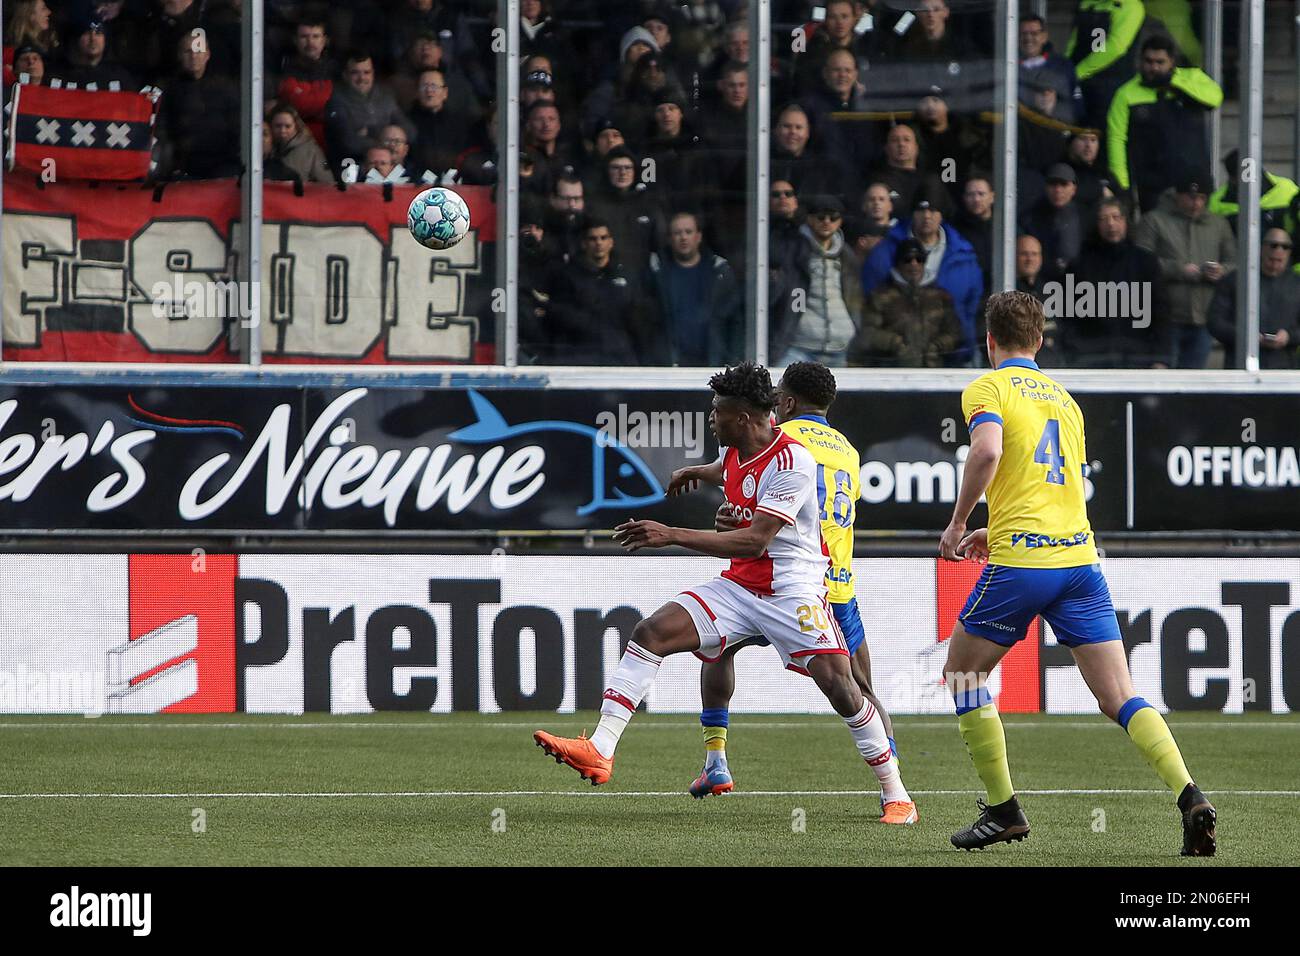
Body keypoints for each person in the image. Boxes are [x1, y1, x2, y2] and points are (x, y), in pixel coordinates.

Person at [534, 363, 912, 824]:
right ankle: (601, 748)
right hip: (739, 586)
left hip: (793, 587)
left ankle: (897, 794)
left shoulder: (795, 461)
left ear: (747, 418)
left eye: (718, 411)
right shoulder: (736, 448)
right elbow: (727, 468)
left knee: (842, 688)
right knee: (651, 632)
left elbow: (754, 540)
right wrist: (694, 470)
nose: (711, 418)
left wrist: (669, 533)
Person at [938, 289, 1217, 856]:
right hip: (1080, 562)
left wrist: (959, 521)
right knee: (1120, 695)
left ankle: (1003, 810)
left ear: (989, 341)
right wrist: (996, 528)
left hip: (1024, 564)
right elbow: (1054, 485)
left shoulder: (987, 387)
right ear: (1040, 341)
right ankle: (1190, 795)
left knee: (963, 673)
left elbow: (988, 453)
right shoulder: (1065, 399)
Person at [687, 362, 916, 824]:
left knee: (716, 651)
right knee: (860, 689)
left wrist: (737, 518)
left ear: (785, 404)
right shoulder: (848, 450)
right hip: (840, 582)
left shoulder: (781, 443)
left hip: (789, 581)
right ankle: (892, 786)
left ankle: (717, 760)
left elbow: (757, 492)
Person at [860, 181, 984, 364]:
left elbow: (973, 307)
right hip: (896, 363)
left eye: (933, 210)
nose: (927, 216)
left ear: (942, 215)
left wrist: (961, 345)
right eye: (921, 210)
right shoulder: (885, 252)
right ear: (913, 213)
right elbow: (868, 307)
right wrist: (896, 344)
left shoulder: (964, 253)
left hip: (954, 356)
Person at [1107, 34, 1223, 213]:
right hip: (1154, 184)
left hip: (1194, 179)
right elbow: (1116, 139)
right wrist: (1122, 184)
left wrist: (1174, 82)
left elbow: (1215, 98)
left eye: (1160, 62)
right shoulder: (1126, 93)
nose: (1153, 67)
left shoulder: (1191, 77)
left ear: (1172, 62)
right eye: (1148, 61)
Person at [1134, 171, 1236, 369]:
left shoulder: (1218, 224)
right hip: (1167, 318)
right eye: (1191, 197)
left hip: (1204, 317)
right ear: (1177, 195)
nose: (1196, 203)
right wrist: (1179, 270)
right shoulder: (1154, 220)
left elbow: (1235, 262)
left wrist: (1221, 271)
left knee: (1193, 382)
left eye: (1201, 198)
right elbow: (1140, 263)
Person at [773, 194, 863, 367]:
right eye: (821, 217)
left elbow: (854, 299)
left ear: (840, 221)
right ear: (809, 219)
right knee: (779, 388)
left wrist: (854, 331)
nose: (827, 222)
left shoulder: (846, 255)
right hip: (800, 346)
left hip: (841, 345)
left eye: (833, 217)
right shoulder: (793, 250)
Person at [646, 211, 743, 367]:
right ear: (670, 239)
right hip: (669, 367)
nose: (683, 237)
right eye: (677, 233)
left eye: (688, 232)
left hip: (712, 364)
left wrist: (731, 362)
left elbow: (734, 321)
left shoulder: (720, 272)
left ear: (698, 236)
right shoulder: (657, 273)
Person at [849, 238, 962, 368]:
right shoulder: (881, 296)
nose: (914, 264)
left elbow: (955, 333)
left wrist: (937, 346)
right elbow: (868, 333)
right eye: (907, 259)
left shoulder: (941, 296)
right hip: (894, 372)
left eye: (919, 259)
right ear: (898, 264)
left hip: (933, 371)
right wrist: (895, 343)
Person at [1208, 228, 1300, 369]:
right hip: (1241, 366)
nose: (1278, 250)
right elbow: (1215, 322)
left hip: (1285, 367)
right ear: (1261, 248)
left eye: (1285, 247)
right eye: (1273, 245)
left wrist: (1289, 336)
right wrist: (1247, 336)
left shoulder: (1296, 284)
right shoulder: (1236, 280)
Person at [1019, 13, 1083, 124]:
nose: (1028, 38)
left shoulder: (1063, 66)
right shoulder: (1005, 65)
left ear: (1044, 37)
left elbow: (1078, 107)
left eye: (1034, 34)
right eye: (1023, 34)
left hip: (1053, 132)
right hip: (1016, 134)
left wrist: (1053, 108)